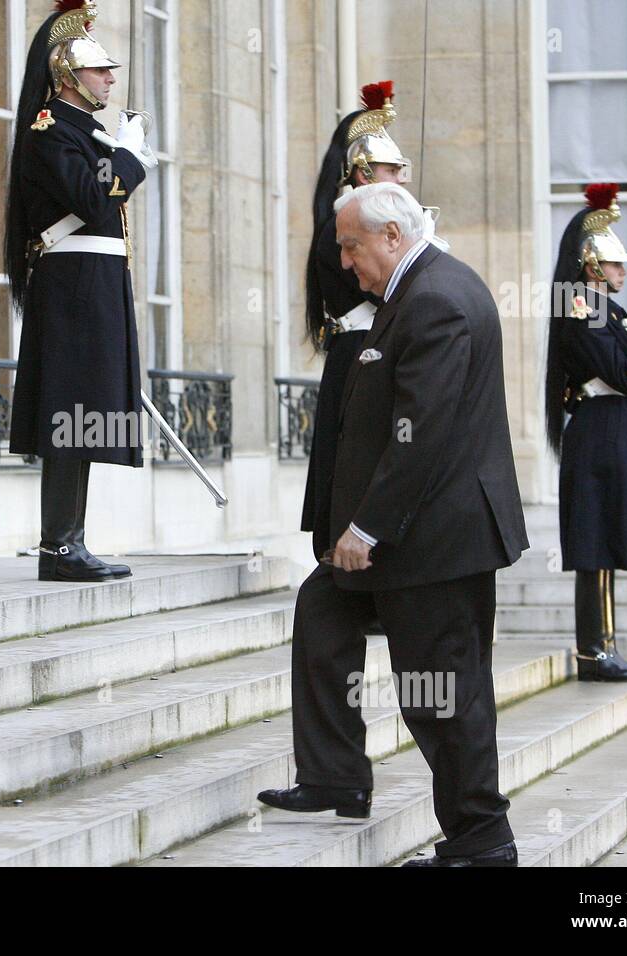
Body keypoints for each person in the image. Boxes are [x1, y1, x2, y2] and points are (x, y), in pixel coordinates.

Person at [278, 183, 530, 867]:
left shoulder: (436, 300)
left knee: (443, 695)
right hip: (419, 535)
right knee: (323, 608)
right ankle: (333, 774)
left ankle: (482, 842)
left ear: (392, 236)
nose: (346, 264)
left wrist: (367, 530)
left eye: (352, 247)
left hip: (433, 542)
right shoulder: (420, 291)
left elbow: (423, 436)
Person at [259, 82, 419, 821]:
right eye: (388, 173)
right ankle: (336, 777)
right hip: (367, 474)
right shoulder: (357, 241)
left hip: (414, 519)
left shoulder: (419, 261)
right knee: (326, 610)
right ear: (360, 179)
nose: (401, 184)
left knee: (375, 631)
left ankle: (350, 780)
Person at [4, 1, 157, 582]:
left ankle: (73, 540)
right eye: (101, 71)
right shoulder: (49, 132)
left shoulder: (84, 133)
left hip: (96, 283)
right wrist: (129, 156)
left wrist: (119, 152)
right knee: (71, 410)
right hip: (72, 285)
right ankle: (58, 548)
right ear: (69, 77)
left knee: (88, 413)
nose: (111, 79)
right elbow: (94, 198)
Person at [545, 183, 627, 681]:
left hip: (612, 430)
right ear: (592, 265)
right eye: (615, 265)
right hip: (600, 433)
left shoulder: (604, 308)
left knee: (606, 544)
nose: (623, 271)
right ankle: (593, 652)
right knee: (595, 545)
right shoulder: (581, 304)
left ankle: (604, 645)